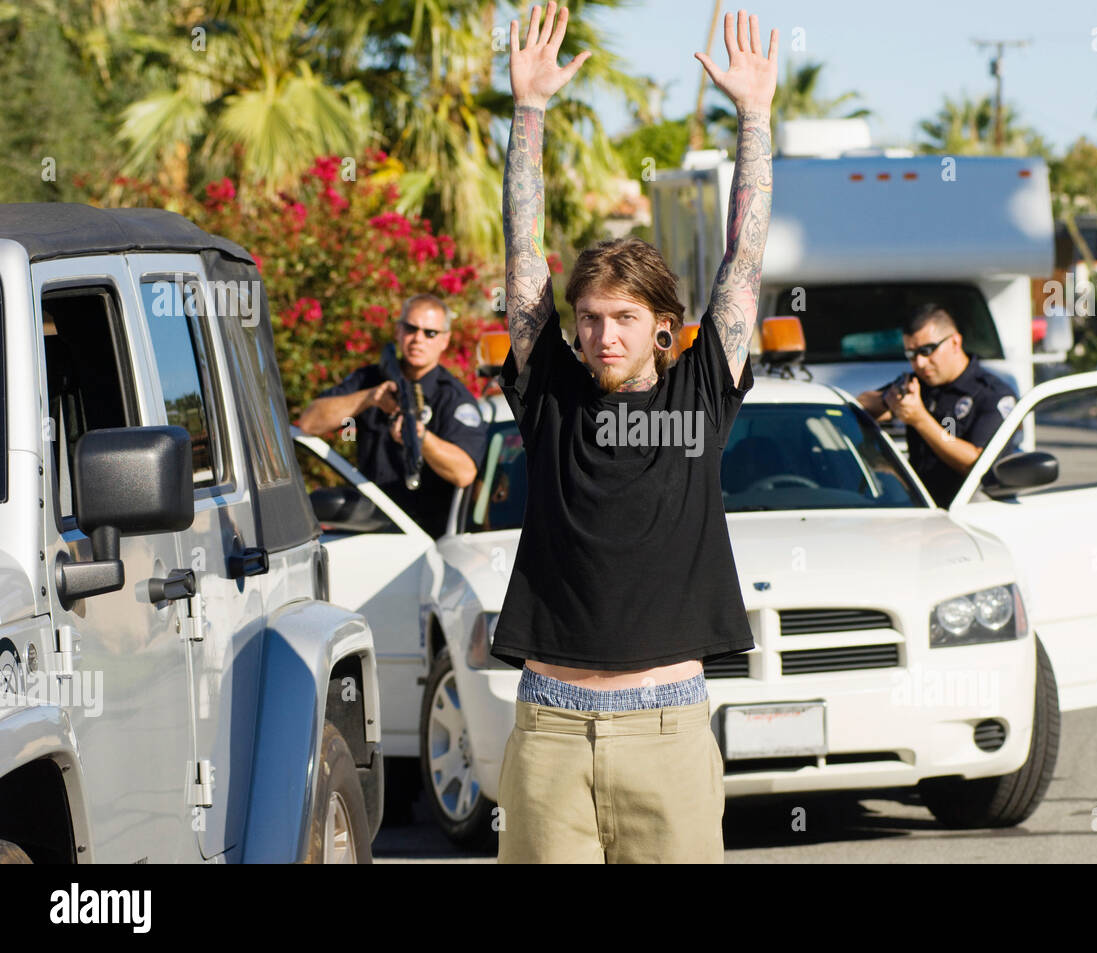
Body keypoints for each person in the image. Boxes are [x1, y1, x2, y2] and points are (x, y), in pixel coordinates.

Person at [492, 2, 776, 863]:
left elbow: (745, 255)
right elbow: (521, 246)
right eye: (587, 318)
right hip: (548, 728)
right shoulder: (550, 396)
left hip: (668, 728)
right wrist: (529, 111)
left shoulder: (702, 387)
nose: (601, 334)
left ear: (663, 326)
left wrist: (755, 118)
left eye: (621, 317)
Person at [297, 293, 488, 537]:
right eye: (411, 328)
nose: (418, 339)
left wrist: (422, 438)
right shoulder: (370, 379)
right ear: (398, 331)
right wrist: (369, 398)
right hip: (371, 532)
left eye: (430, 333)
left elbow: (464, 473)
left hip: (428, 538)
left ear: (445, 340)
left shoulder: (452, 399)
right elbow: (309, 422)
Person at [857, 303, 1019, 508]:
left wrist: (919, 419)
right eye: (911, 354)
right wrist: (889, 400)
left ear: (955, 342)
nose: (920, 363)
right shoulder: (917, 384)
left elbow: (977, 464)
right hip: (921, 507)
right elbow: (859, 405)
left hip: (970, 511)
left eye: (927, 350)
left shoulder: (992, 394)